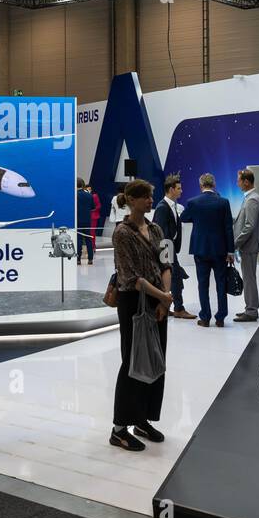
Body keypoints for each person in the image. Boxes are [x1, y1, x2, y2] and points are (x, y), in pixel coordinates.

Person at [109, 179, 172, 451]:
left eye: (151, 196)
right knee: (133, 362)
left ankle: (142, 419)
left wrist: (164, 300)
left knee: (156, 360)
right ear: (131, 200)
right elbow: (131, 277)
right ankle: (120, 428)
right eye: (145, 197)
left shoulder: (157, 229)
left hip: (158, 300)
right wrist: (162, 297)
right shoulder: (122, 233)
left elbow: (166, 264)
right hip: (134, 302)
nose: (150, 201)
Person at [180, 173, 234, 327]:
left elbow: (184, 218)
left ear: (201, 185)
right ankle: (221, 318)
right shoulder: (223, 202)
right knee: (221, 284)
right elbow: (228, 228)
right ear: (214, 185)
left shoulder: (193, 202)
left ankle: (205, 317)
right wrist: (231, 251)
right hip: (220, 250)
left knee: (203, 284)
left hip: (200, 249)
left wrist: (196, 218)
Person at [152, 174, 195, 319]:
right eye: (179, 188)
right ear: (171, 189)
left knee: (174, 279)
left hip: (170, 249)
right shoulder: (162, 208)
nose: (181, 191)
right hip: (166, 250)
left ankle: (170, 306)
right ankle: (177, 308)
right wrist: (166, 255)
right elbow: (160, 232)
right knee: (175, 279)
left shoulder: (172, 206)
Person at [231, 169, 259, 322]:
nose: (237, 183)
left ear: (246, 181)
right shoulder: (249, 198)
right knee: (249, 277)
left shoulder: (252, 200)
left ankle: (251, 311)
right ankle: (250, 308)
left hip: (249, 246)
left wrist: (235, 243)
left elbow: (249, 226)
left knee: (249, 278)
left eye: (239, 180)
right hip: (248, 246)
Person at [75, 178, 96, 264]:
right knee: (88, 239)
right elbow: (93, 207)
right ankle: (90, 259)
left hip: (78, 220)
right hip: (87, 220)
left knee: (79, 239)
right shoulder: (89, 195)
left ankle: (78, 259)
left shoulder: (75, 195)